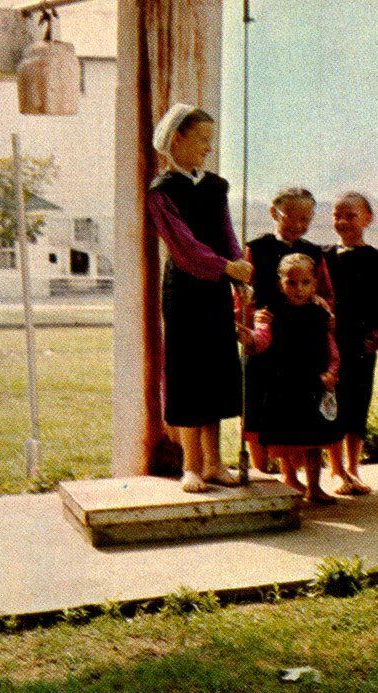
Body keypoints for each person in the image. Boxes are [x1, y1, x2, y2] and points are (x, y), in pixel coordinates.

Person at [145, 103, 252, 493]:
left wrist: (239, 269)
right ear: (178, 139)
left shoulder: (215, 187)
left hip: (216, 289)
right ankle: (190, 465)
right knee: (189, 373)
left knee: (217, 372)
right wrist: (227, 267)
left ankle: (214, 462)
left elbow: (225, 233)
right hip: (185, 289)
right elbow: (184, 247)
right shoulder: (162, 191)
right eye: (202, 140)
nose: (209, 147)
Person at [239, 187, 335, 474]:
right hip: (267, 335)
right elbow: (242, 293)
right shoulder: (256, 248)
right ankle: (261, 467)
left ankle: (294, 470)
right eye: (290, 217)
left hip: (301, 341)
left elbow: (327, 294)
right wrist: (251, 317)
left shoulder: (313, 252)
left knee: (297, 405)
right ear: (273, 213)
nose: (297, 224)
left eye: (305, 218)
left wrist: (323, 306)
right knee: (259, 400)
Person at [259, 254, 342, 504]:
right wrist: (251, 336)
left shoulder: (320, 313)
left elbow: (332, 347)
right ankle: (290, 477)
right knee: (288, 434)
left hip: (314, 381)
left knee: (314, 439)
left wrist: (332, 371)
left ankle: (315, 486)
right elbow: (262, 339)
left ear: (314, 284)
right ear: (280, 283)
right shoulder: (272, 313)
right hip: (284, 383)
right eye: (291, 283)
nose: (299, 289)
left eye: (305, 283)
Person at [322, 192, 378, 495]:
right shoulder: (324, 256)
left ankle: (353, 468)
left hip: (362, 342)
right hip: (332, 341)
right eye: (337, 215)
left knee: (358, 402)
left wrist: (376, 334)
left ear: (367, 218)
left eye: (351, 215)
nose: (343, 221)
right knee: (334, 400)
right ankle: (335, 470)